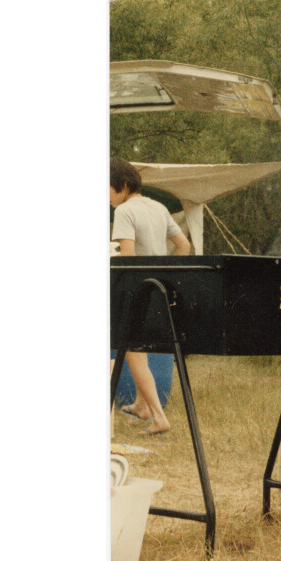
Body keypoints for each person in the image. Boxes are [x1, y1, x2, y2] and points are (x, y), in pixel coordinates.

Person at [110, 157, 192, 436]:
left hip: (137, 289)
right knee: (142, 349)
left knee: (133, 352)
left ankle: (158, 417)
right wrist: (170, 278)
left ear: (122, 185)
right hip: (157, 289)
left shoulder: (123, 211)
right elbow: (184, 245)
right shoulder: (159, 208)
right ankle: (141, 405)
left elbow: (128, 257)